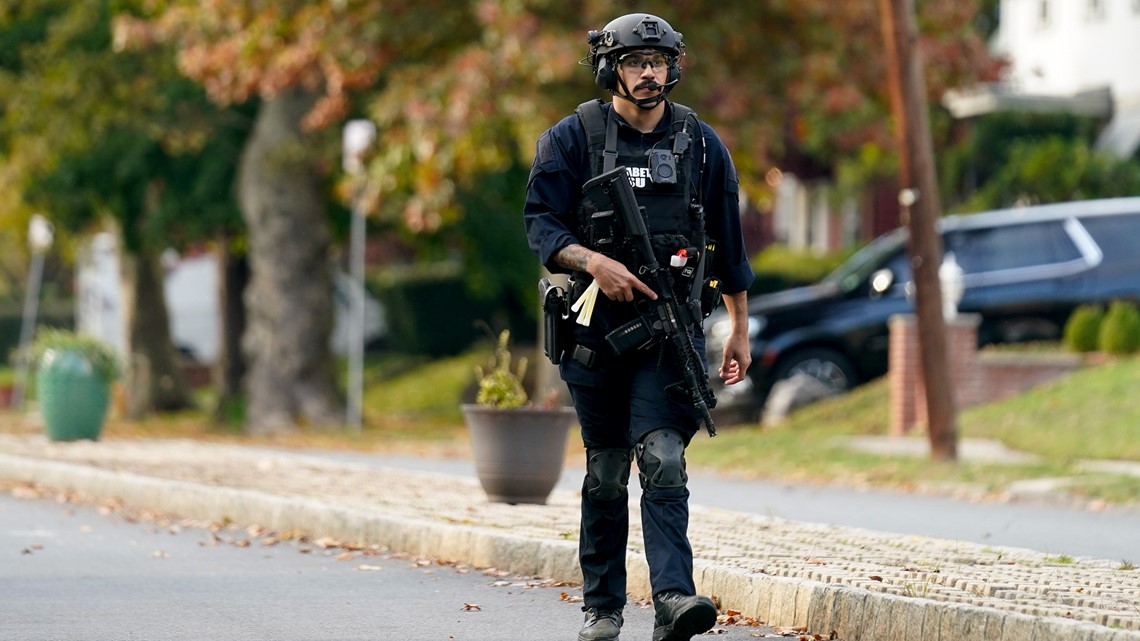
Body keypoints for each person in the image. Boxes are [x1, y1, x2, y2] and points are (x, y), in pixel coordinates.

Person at [523, 12, 754, 641]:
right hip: (595, 335)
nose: (648, 72)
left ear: (674, 66)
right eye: (634, 62)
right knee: (605, 469)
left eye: (658, 61)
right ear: (610, 69)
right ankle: (603, 608)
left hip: (669, 330)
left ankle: (675, 598)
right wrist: (594, 261)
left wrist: (739, 327)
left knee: (663, 457)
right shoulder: (571, 139)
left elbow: (731, 246)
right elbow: (542, 224)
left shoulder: (702, 145)